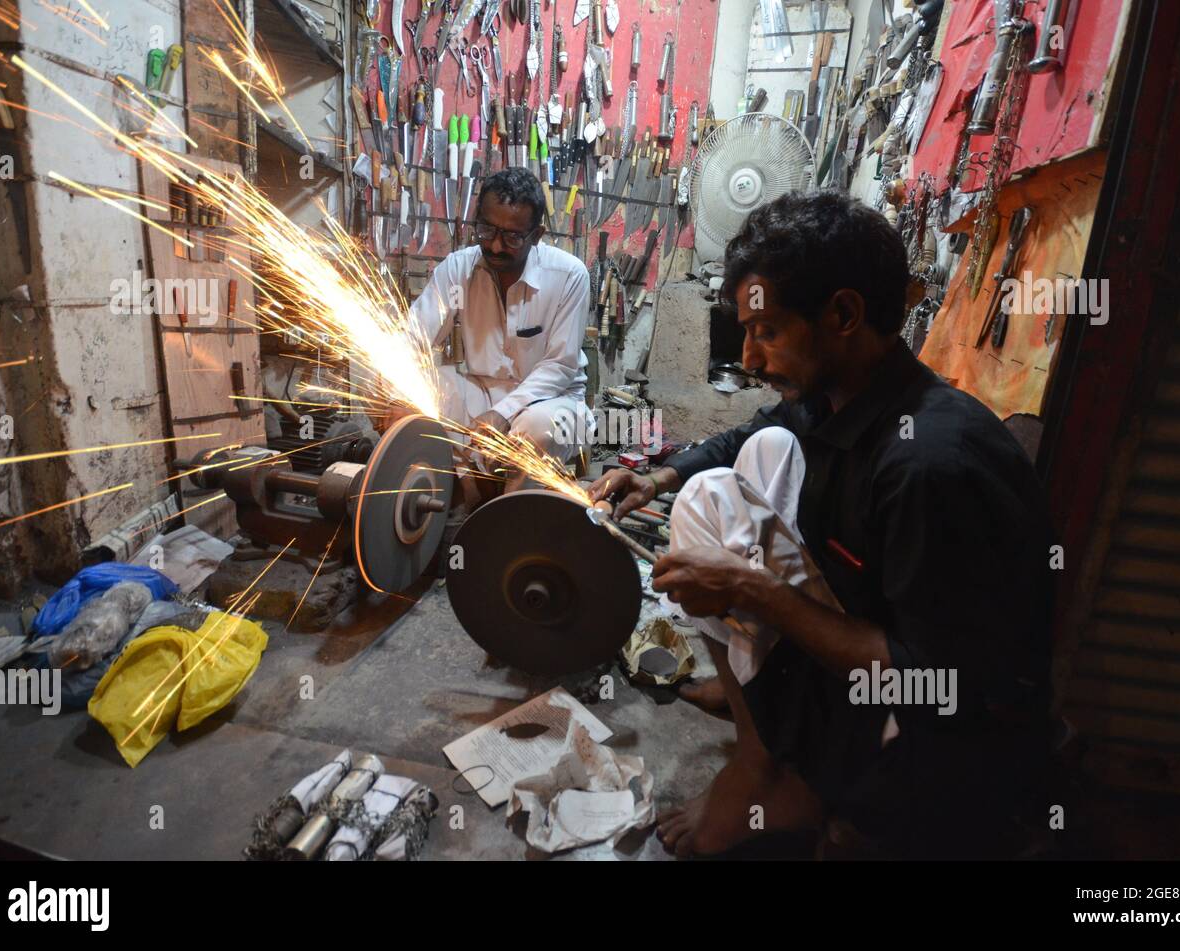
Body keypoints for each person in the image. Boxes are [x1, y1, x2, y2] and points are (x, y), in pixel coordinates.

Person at [590, 190, 1054, 859]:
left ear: (843, 314)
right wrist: (659, 476)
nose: (749, 359)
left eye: (768, 331)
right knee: (713, 493)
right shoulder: (845, 391)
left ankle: (803, 784)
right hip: (881, 662)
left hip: (946, 737)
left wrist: (751, 589)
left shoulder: (927, 465)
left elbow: (929, 681)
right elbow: (756, 430)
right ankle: (763, 730)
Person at [410, 167, 593, 487]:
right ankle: (456, 496)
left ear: (536, 236)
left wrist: (503, 413)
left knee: (537, 428)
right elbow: (414, 336)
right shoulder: (458, 269)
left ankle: (509, 519)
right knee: (426, 389)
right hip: (481, 394)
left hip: (553, 402)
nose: (495, 246)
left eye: (511, 237)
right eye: (486, 230)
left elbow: (559, 366)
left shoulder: (569, 276)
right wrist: (397, 390)